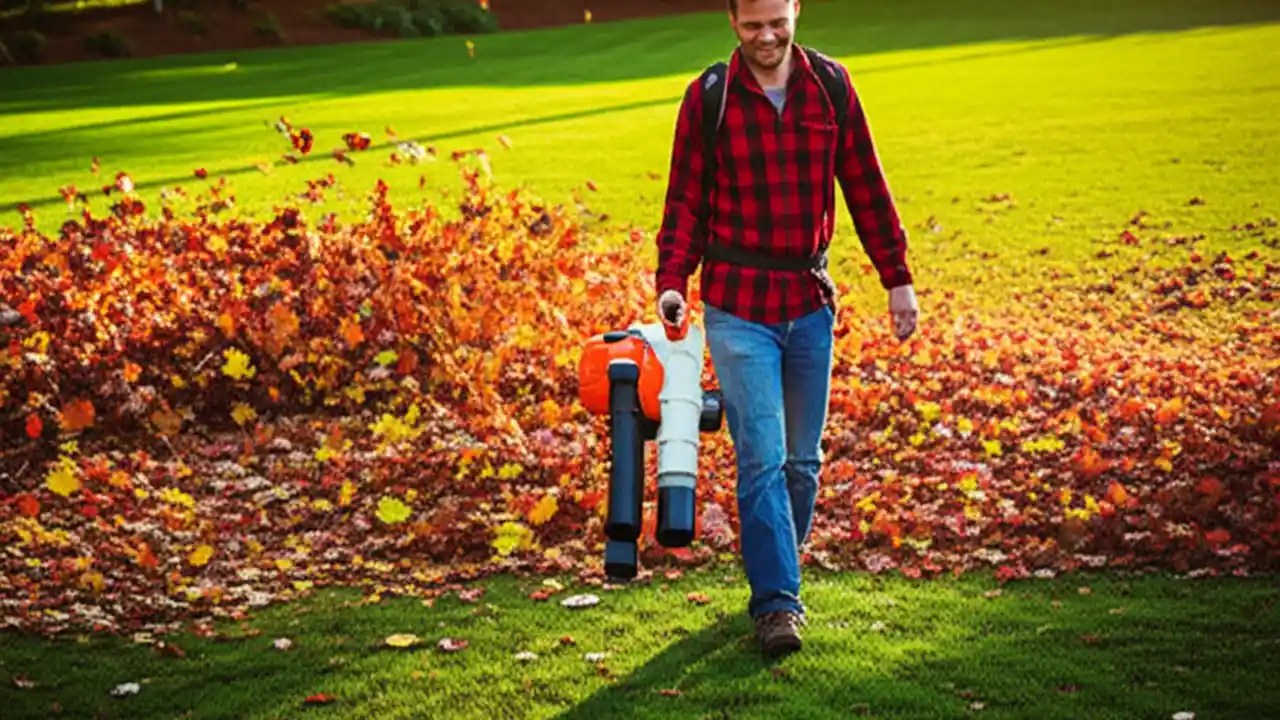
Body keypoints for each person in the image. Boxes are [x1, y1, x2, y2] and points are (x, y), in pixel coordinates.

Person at [653, 0, 919, 658]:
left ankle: (777, 572)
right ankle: (777, 604)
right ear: (732, 21)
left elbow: (865, 184)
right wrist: (672, 280)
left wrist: (897, 277)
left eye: (778, 22)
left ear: (796, 10)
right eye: (752, 26)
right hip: (738, 304)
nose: (767, 36)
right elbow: (684, 197)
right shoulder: (709, 98)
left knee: (803, 463)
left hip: (808, 301)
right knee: (763, 458)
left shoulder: (830, 86)